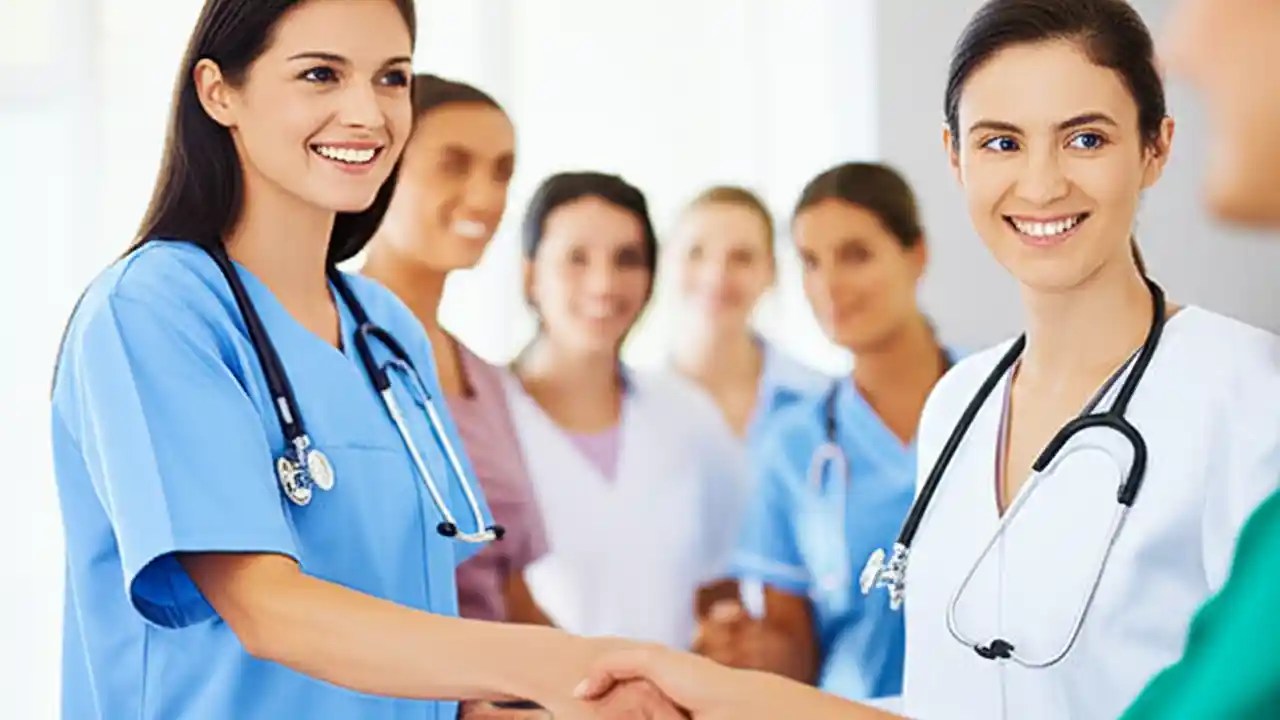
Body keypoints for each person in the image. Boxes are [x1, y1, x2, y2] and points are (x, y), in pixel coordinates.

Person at [574, 1, 1280, 718]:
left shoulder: (1249, 393)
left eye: (1085, 139)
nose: (1039, 185)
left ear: (1155, 146)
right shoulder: (957, 404)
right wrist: (692, 686)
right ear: (954, 155)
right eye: (1001, 143)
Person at [48, 1, 680, 718]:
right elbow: (268, 609)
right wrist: (567, 663)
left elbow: (417, 638)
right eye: (321, 74)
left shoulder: (388, 334)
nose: (369, 114)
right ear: (218, 90)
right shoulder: (156, 311)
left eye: (391, 78)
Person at [698, 163, 957, 703]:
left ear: (917, 254)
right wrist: (745, 649)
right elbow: (796, 651)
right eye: (811, 263)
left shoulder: (1003, 399)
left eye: (855, 255)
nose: (828, 285)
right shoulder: (793, 443)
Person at [501, 171, 746, 651]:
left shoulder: (688, 415)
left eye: (627, 260)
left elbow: (721, 588)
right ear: (530, 274)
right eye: (576, 258)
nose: (603, 283)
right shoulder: (483, 417)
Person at [362, 74, 554, 634]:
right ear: (379, 166)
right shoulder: (320, 342)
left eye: (502, 172)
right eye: (454, 164)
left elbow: (506, 590)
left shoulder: (487, 380)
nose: (487, 197)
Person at [666, 185, 831, 618]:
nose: (716, 275)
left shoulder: (822, 402)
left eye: (742, 257)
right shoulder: (633, 406)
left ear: (772, 272)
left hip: (797, 649)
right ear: (667, 262)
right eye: (697, 252)